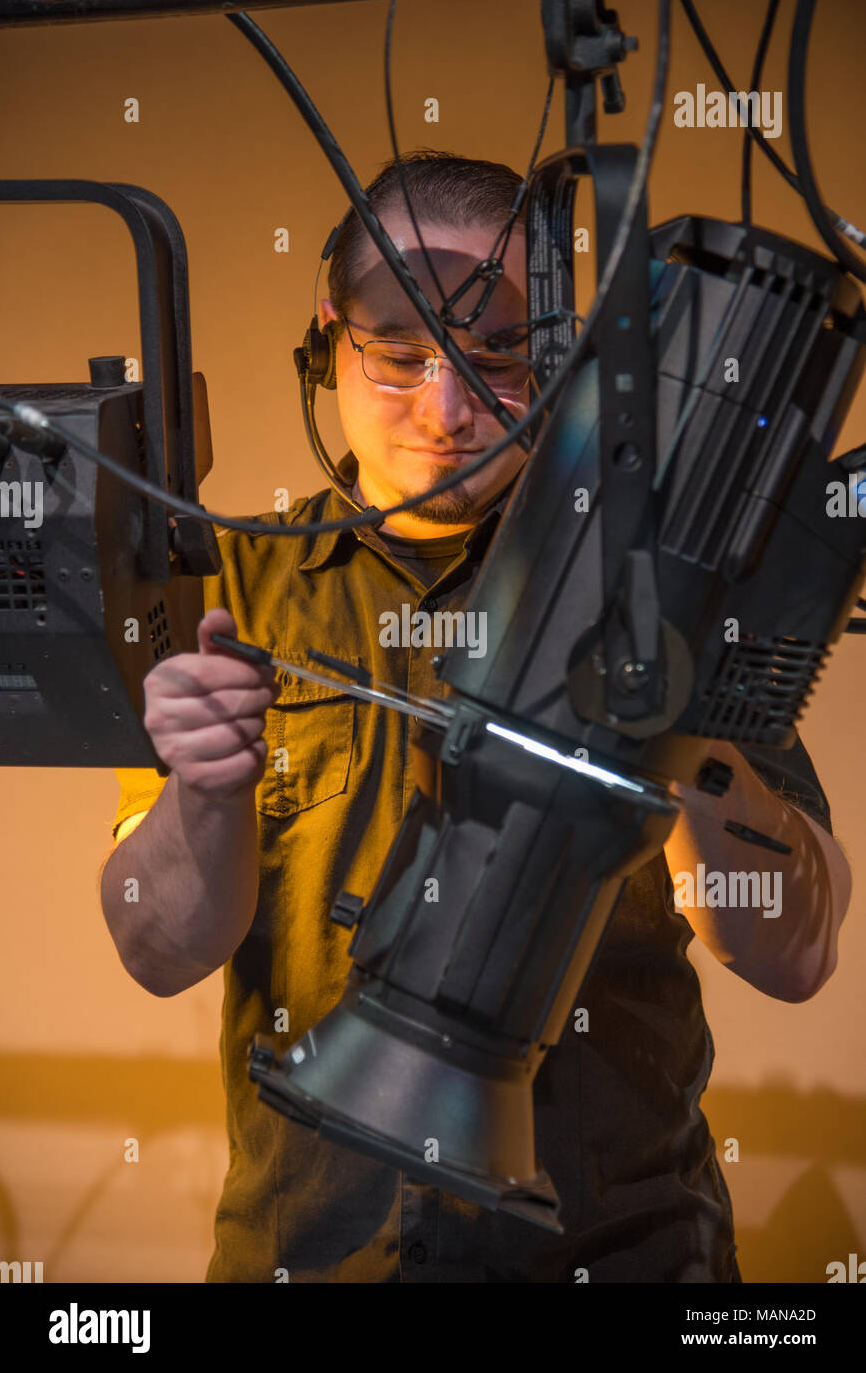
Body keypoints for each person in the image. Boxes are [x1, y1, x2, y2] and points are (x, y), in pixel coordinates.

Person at [99, 149, 852, 1284]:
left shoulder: (668, 577)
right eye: (400, 357)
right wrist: (207, 792)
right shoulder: (229, 590)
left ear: (558, 352)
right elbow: (158, 948)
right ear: (325, 342)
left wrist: (671, 717)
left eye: (494, 358)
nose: (446, 411)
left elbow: (793, 952)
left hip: (622, 1255)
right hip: (321, 1257)